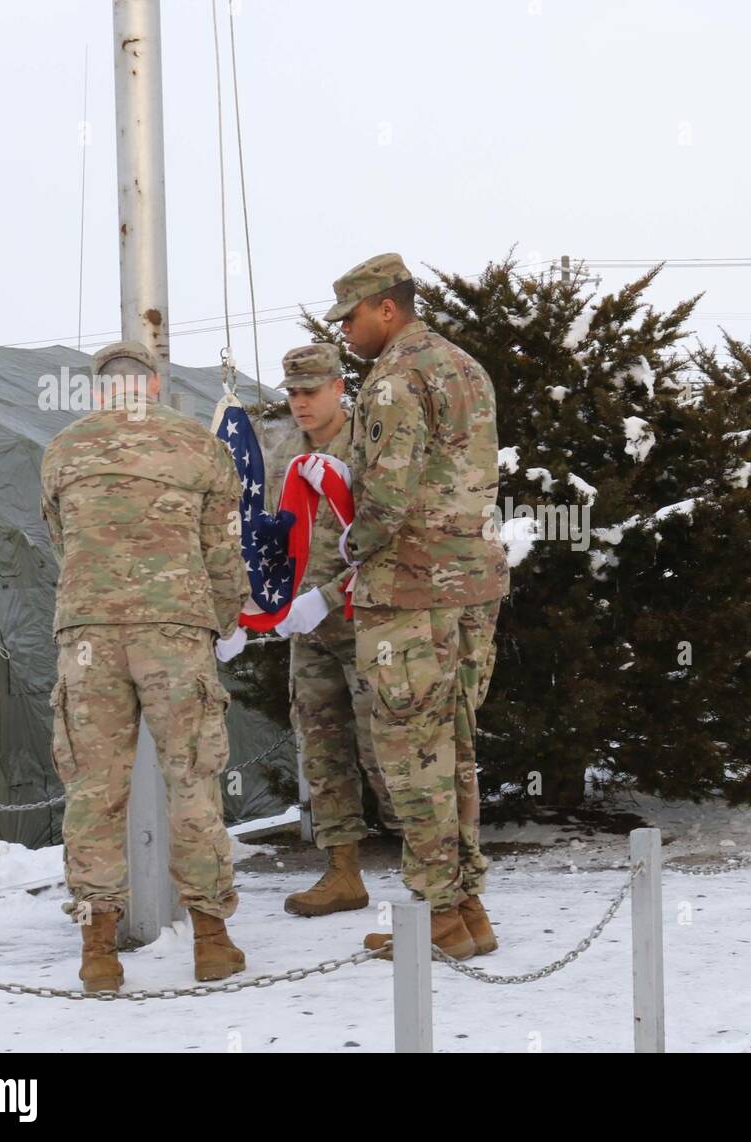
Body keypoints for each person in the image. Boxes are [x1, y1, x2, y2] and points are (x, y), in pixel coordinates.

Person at [40, 341, 249, 991]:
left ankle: (98, 951)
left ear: (101, 391)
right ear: (153, 387)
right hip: (175, 629)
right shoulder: (196, 447)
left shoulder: (64, 451)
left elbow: (60, 538)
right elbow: (222, 548)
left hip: (88, 635)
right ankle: (211, 941)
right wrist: (227, 615)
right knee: (193, 779)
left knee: (93, 789)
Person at [319, 253, 509, 960]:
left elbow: (388, 496)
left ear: (386, 308)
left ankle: (438, 915)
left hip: (409, 591)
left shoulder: (396, 377)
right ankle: (465, 906)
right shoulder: (465, 366)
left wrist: (351, 546)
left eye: (353, 316)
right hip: (470, 586)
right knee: (452, 748)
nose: (346, 331)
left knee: (409, 754)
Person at [262, 344, 397, 918]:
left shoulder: (368, 446)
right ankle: (343, 873)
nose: (300, 402)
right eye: (292, 392)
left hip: (371, 622)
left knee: (389, 751)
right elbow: (270, 535)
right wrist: (264, 605)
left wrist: (331, 594)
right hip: (309, 628)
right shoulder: (284, 452)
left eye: (311, 391)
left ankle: (436, 883)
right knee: (321, 748)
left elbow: (389, 537)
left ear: (339, 388)